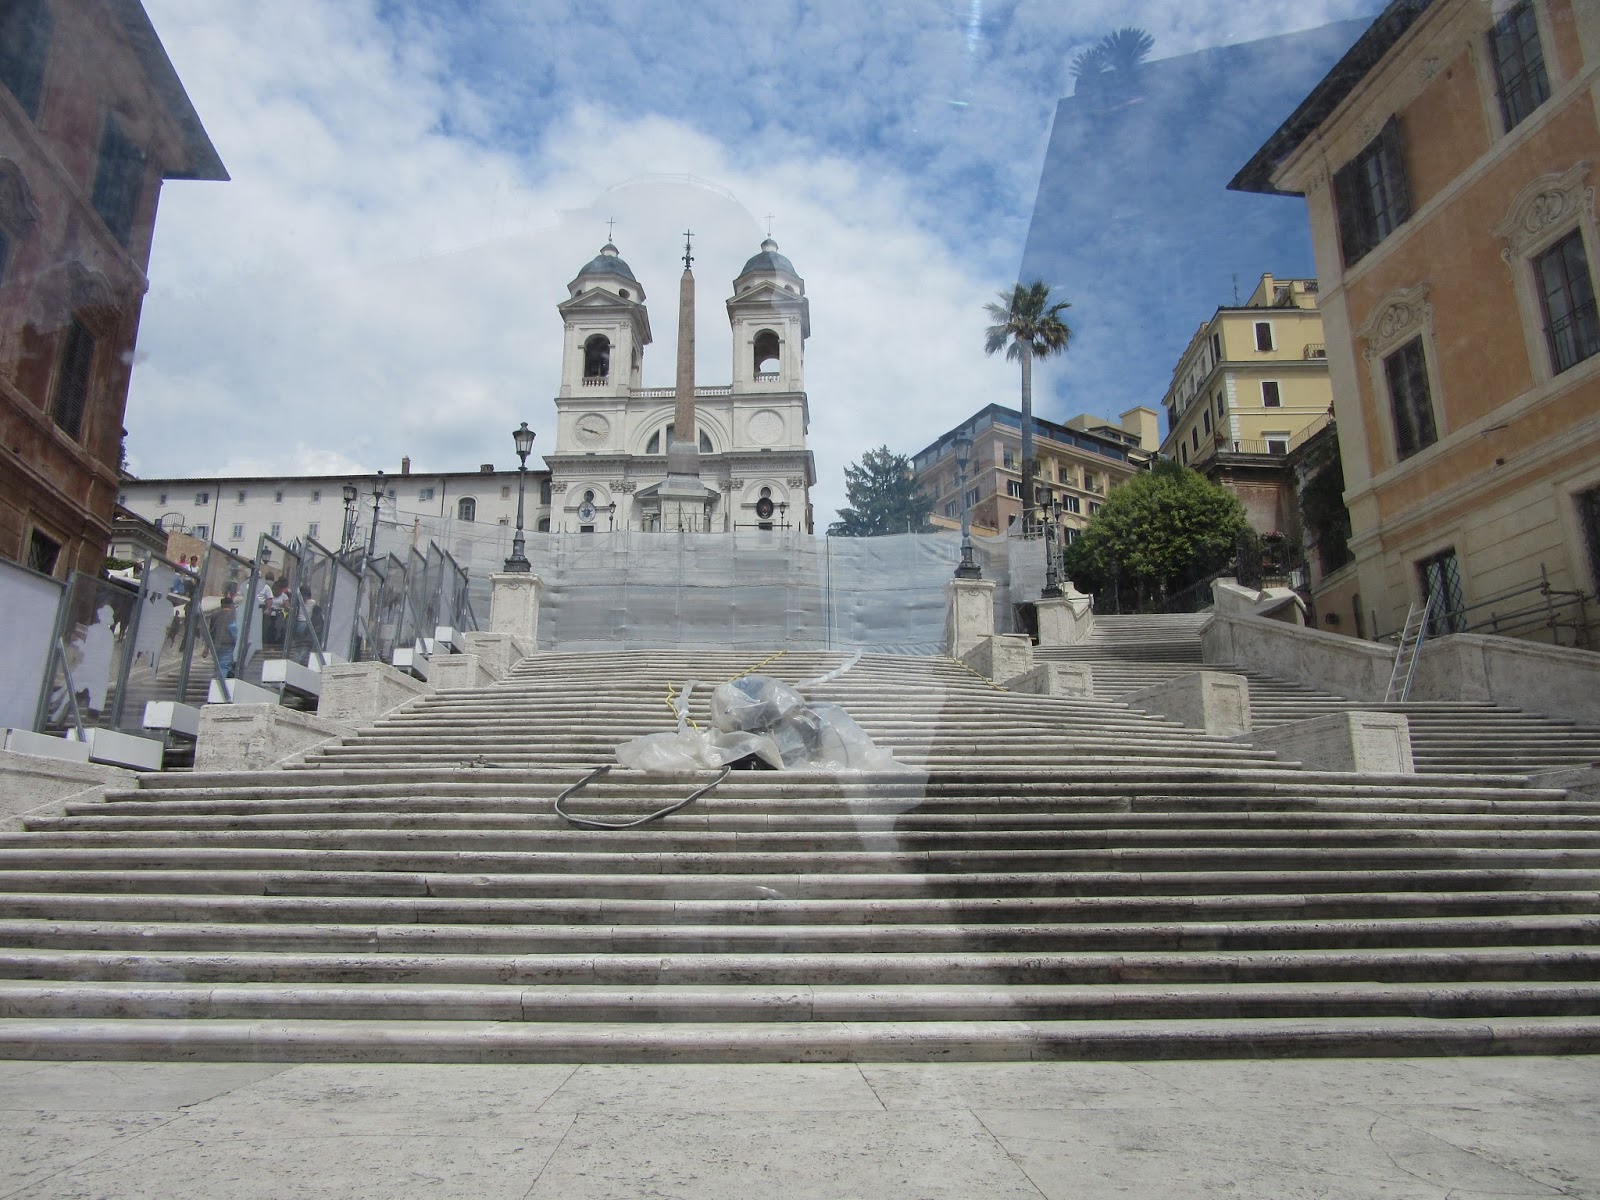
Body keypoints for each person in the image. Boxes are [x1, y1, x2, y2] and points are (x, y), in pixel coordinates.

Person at [207, 595, 238, 677]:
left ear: (222, 605)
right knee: (224, 665)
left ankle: (217, 679)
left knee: (217, 664)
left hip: (216, 643)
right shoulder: (234, 616)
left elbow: (210, 631)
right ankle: (221, 682)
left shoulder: (214, 616)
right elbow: (234, 630)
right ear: (231, 605)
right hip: (228, 643)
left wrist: (206, 647)